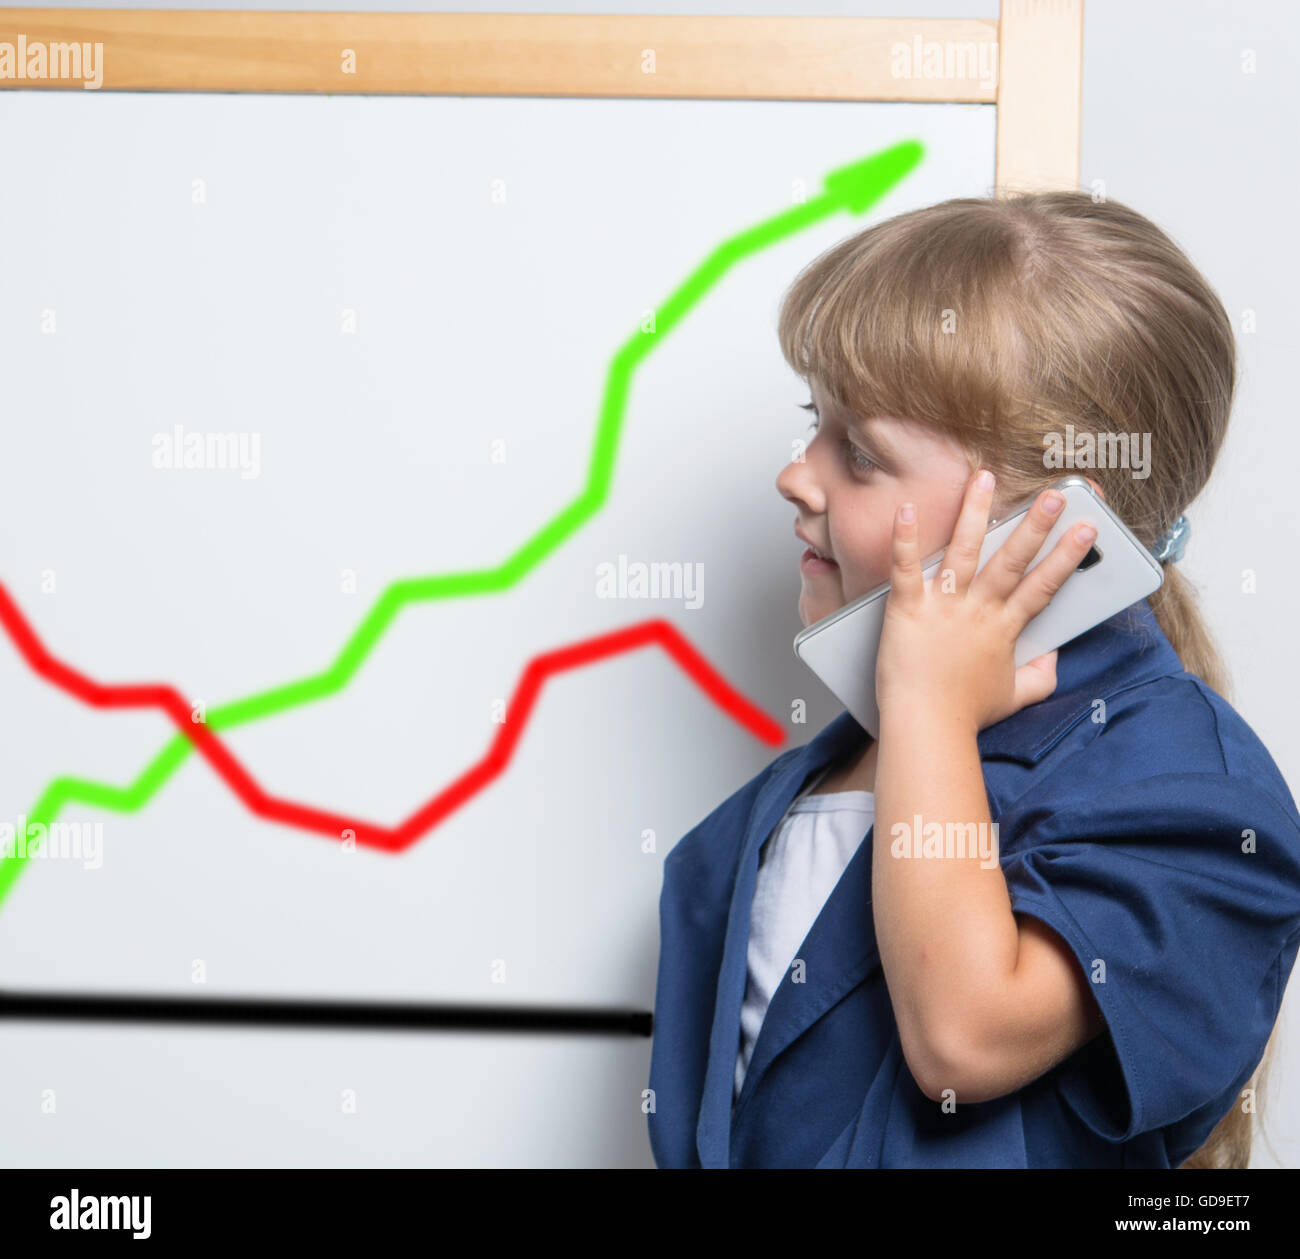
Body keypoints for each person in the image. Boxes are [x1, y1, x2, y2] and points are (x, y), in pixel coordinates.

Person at [647, 190, 1300, 1168]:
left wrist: (927, 707)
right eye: (811, 421)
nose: (797, 473)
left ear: (1056, 527)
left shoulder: (1195, 794)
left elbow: (964, 1036)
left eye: (859, 451)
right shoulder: (808, 788)